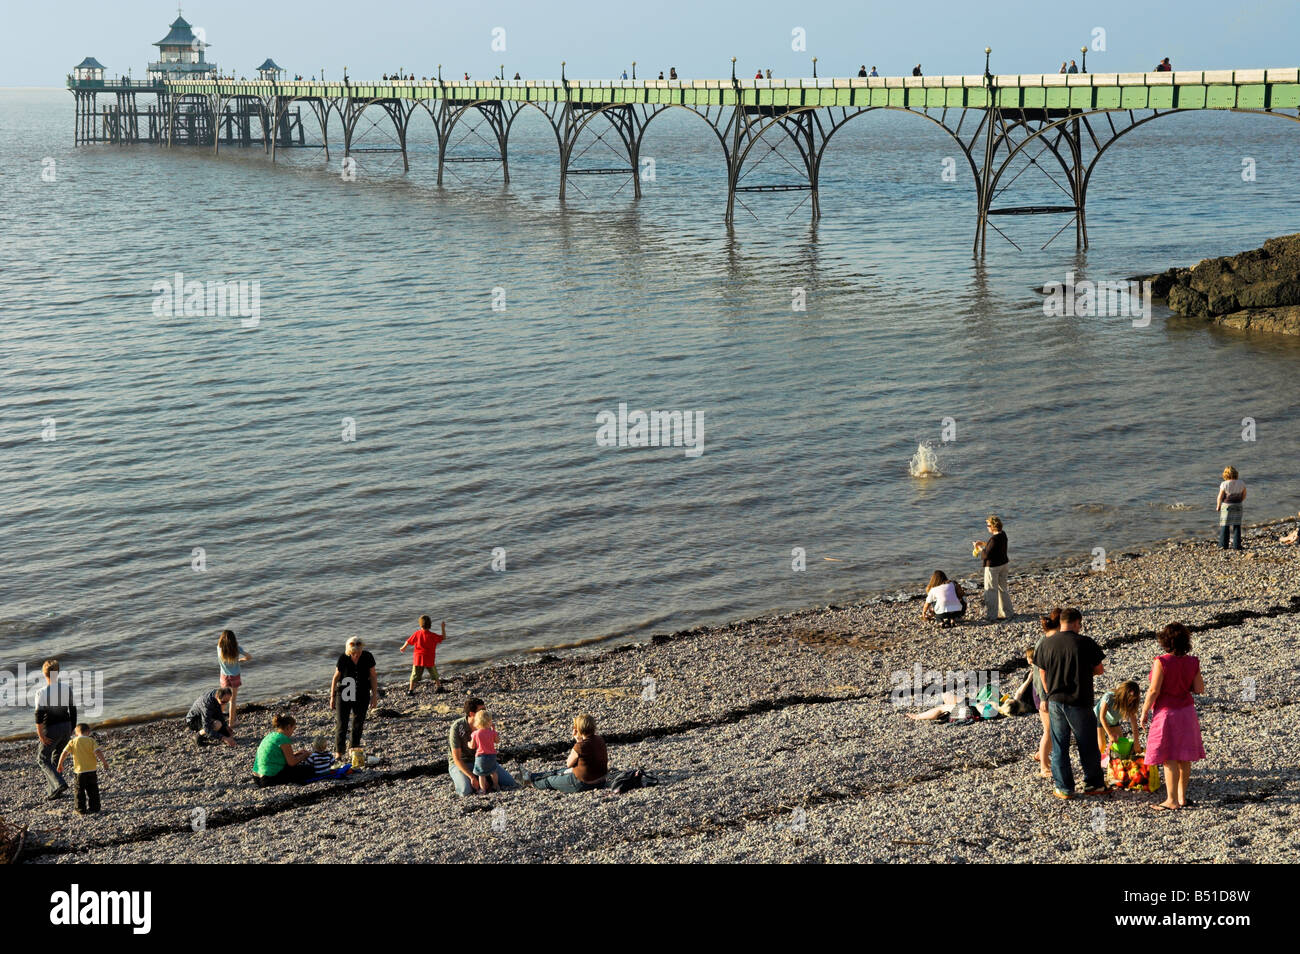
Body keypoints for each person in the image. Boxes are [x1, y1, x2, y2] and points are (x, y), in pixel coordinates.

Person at [1034, 607, 1107, 798]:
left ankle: (1064, 787)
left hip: (1056, 700)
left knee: (1059, 744)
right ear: (1076, 622)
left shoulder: (1046, 643)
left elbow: (1041, 670)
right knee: (1087, 743)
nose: (1080, 627)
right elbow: (1099, 669)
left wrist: (1049, 691)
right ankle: (1094, 784)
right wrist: (1084, 672)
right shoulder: (1085, 642)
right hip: (1079, 699)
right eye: (1080, 624)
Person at [1141, 623, 1205, 810]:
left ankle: (1171, 800)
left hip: (1167, 713)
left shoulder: (1161, 661)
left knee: (1169, 757)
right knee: (1184, 757)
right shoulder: (1193, 662)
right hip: (1187, 712)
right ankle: (1182, 797)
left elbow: (1154, 690)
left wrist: (1144, 711)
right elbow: (1200, 689)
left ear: (1165, 642)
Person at [519, 714, 607, 792]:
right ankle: (531, 776)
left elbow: (569, 764)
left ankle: (531, 783)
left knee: (550, 780)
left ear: (579, 729)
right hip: (600, 781)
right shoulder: (600, 739)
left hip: (582, 784)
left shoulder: (579, 746)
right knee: (559, 771)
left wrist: (577, 741)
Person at [448, 697, 518, 795]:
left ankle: (485, 782)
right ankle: (468, 779)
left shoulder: (486, 724)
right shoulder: (457, 727)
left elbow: (494, 742)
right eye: (482, 710)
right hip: (462, 763)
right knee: (465, 791)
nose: (485, 712)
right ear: (472, 714)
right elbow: (457, 759)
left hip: (483, 760)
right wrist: (472, 777)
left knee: (510, 783)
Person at [330, 637, 377, 760]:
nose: (357, 655)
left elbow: (373, 676)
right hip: (345, 691)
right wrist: (332, 697)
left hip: (362, 692)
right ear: (349, 651)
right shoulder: (343, 658)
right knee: (342, 723)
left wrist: (374, 696)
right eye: (354, 653)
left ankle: (354, 749)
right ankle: (339, 752)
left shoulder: (367, 657)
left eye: (359, 652)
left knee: (358, 722)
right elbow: (335, 678)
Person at [35, 659, 76, 800]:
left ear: (43, 673)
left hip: (51, 729)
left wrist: (40, 734)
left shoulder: (41, 692)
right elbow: (73, 710)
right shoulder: (66, 688)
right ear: (58, 672)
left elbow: (39, 716)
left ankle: (59, 784)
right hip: (66, 725)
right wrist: (72, 728)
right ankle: (53, 792)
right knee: (56, 758)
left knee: (42, 759)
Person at [1031, 608, 1062, 778]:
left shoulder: (1050, 640)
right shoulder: (1044, 643)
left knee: (1053, 729)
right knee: (1049, 730)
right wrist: (1044, 697)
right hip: (1042, 693)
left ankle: (1040, 755)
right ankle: (1044, 767)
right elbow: (1038, 674)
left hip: (1047, 692)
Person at [57, 723, 108, 814]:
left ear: (76, 733)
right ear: (88, 732)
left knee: (79, 791)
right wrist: (104, 762)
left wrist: (60, 764)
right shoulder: (91, 740)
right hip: (92, 770)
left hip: (79, 771)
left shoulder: (73, 741)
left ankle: (80, 809)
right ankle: (95, 808)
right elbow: (98, 752)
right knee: (93, 790)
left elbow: (64, 753)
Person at [254, 713, 315, 786]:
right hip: (268, 779)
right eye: (294, 728)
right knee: (309, 769)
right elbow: (292, 762)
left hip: (256, 777)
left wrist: (296, 754)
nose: (293, 731)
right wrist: (305, 755)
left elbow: (277, 756)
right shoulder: (283, 739)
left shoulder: (271, 735)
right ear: (288, 727)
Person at [973, 514, 1013, 621]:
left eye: (988, 525)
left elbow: (986, 555)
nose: (987, 527)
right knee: (1003, 589)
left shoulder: (994, 539)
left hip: (993, 567)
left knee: (991, 591)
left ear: (993, 526)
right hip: (1004, 564)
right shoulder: (1003, 535)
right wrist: (984, 544)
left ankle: (991, 616)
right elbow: (993, 546)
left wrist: (979, 548)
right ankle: (1007, 612)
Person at [1095, 680, 1142, 757]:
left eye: (1133, 699)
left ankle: (1114, 759)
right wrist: (1110, 734)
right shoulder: (1109, 697)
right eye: (1129, 698)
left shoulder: (1131, 703)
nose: (1130, 701)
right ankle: (1096, 762)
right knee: (1102, 745)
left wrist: (1136, 742)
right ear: (1123, 694)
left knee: (1120, 742)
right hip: (1099, 718)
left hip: (1113, 720)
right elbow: (1102, 716)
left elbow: (1134, 723)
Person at [400, 616, 445, 694]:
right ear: (430, 625)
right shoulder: (432, 635)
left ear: (420, 625)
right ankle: (439, 687)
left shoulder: (417, 633)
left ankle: (410, 690)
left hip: (418, 658)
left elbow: (408, 641)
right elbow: (443, 637)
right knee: (434, 673)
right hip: (429, 658)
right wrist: (443, 627)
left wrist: (403, 647)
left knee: (414, 674)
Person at [217, 629, 251, 729]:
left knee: (222, 700)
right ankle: (232, 722)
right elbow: (249, 657)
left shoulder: (219, 648)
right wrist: (240, 660)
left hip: (224, 676)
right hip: (235, 676)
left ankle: (219, 721)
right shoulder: (236, 648)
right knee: (233, 700)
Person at [469, 709, 500, 793]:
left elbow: (472, 746)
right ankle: (496, 786)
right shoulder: (491, 732)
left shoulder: (476, 733)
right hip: (492, 755)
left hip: (481, 756)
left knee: (481, 774)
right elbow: (497, 741)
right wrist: (494, 730)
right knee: (493, 772)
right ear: (489, 721)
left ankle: (483, 789)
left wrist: (468, 743)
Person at [1215, 466, 1246, 550]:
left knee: (1225, 525)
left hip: (1227, 505)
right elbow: (1244, 494)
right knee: (1237, 525)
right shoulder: (1241, 483)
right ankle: (1237, 545)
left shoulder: (1224, 484)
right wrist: (1239, 501)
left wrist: (1218, 506)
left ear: (1225, 475)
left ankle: (1223, 545)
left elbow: (1220, 497)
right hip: (1238, 505)